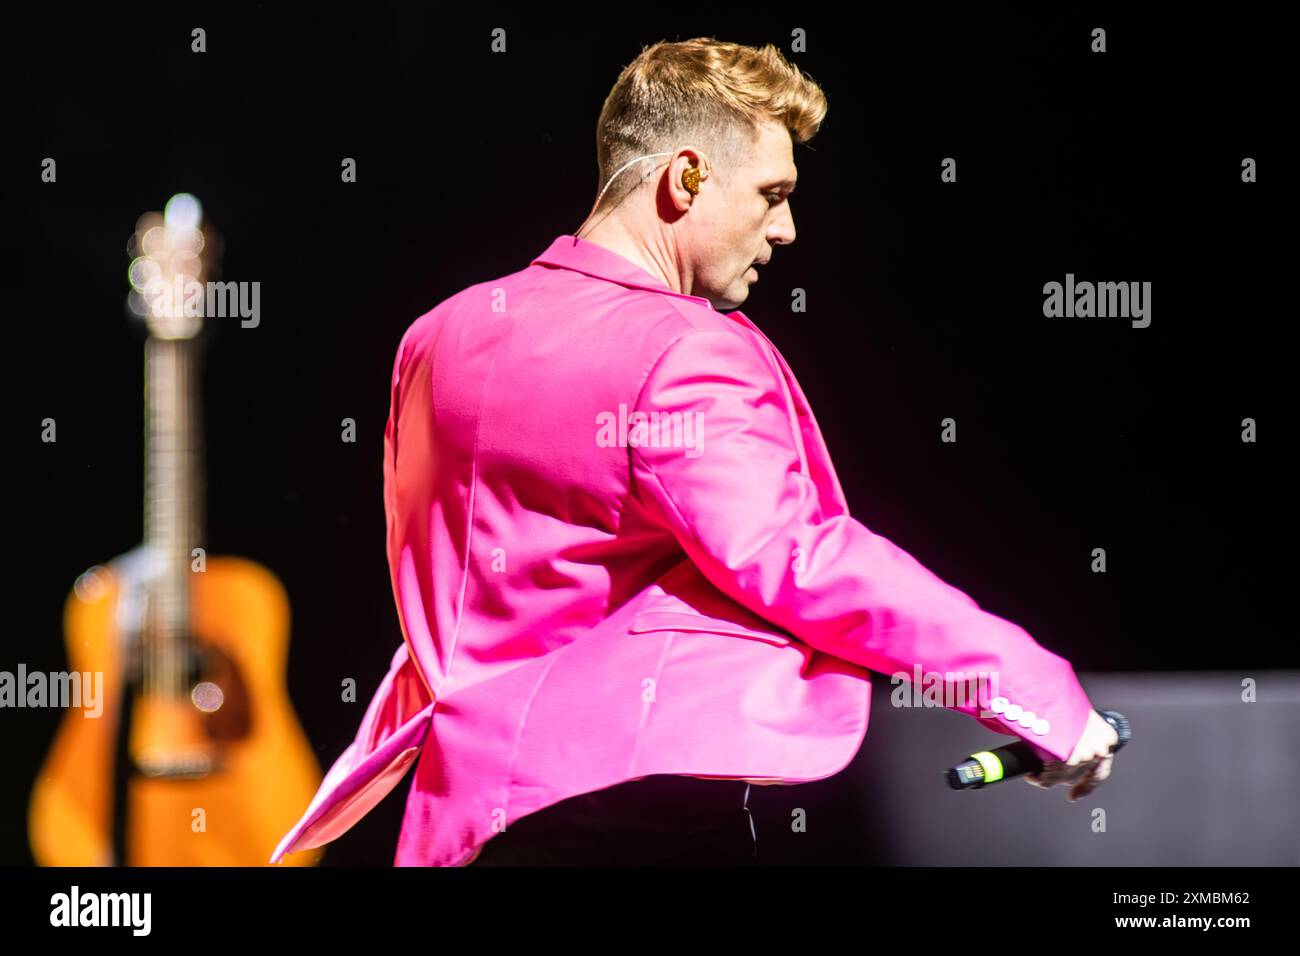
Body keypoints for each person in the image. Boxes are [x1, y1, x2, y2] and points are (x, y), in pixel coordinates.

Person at [270, 37, 1117, 869]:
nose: (785, 229)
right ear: (686, 177)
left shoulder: (438, 335)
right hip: (626, 811)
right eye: (772, 193)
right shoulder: (683, 351)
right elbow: (796, 557)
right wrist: (1030, 692)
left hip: (462, 816)